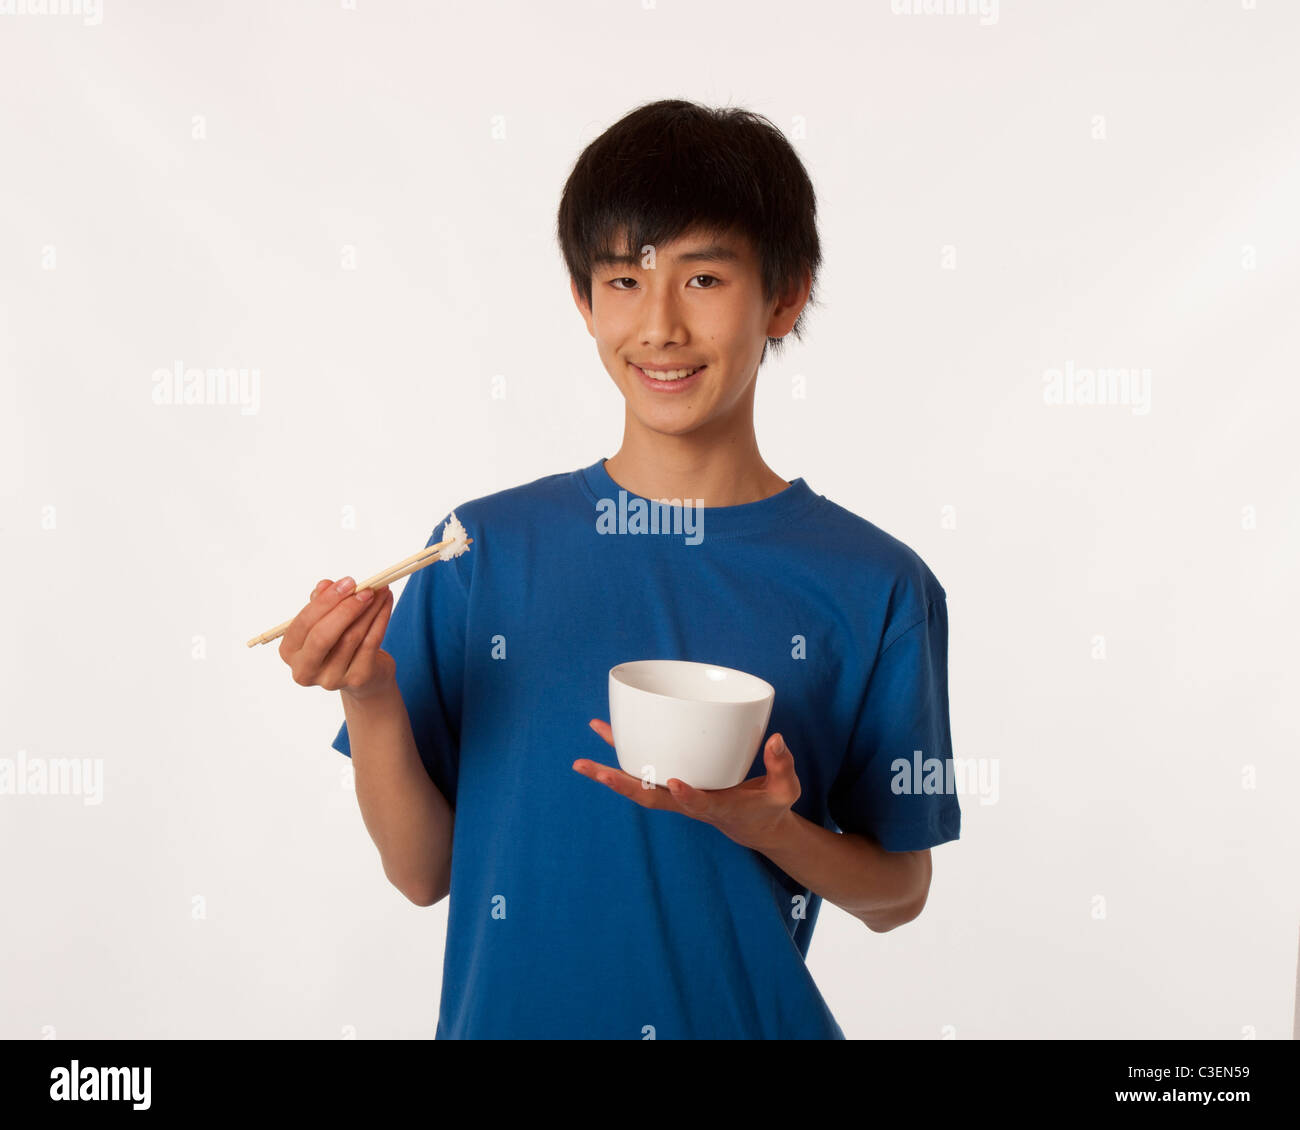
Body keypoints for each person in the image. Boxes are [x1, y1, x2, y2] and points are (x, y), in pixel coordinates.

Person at [278, 99, 961, 1039]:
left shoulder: (878, 585)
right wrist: (370, 693)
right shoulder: (477, 550)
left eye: (706, 277)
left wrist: (769, 829)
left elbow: (900, 893)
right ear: (584, 300)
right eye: (624, 281)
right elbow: (422, 873)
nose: (661, 327)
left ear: (786, 295)